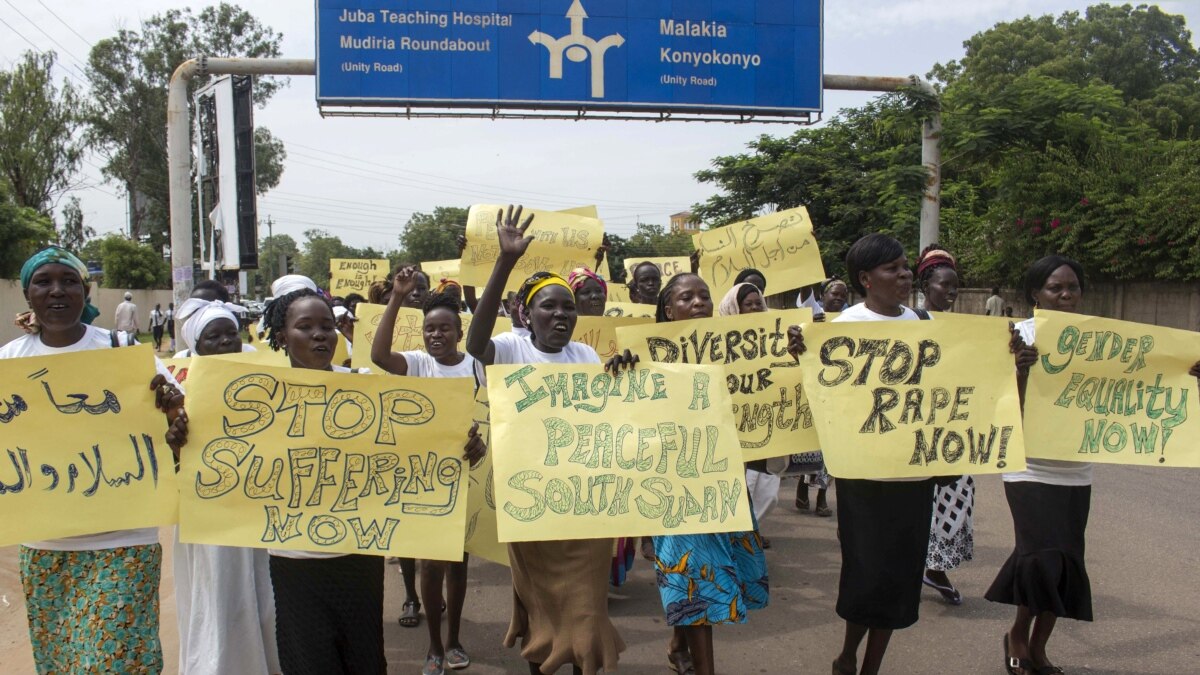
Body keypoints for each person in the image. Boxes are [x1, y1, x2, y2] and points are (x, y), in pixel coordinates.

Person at [1, 246, 186, 674]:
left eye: (69, 281)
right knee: (62, 661)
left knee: (114, 661)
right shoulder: (9, 362)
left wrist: (173, 414)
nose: (57, 290)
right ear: (27, 295)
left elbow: (179, 425)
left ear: (85, 291)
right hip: (45, 548)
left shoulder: (121, 351)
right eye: (43, 282)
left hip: (123, 541)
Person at [466, 205, 624, 675]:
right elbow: (474, 344)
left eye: (568, 307)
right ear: (526, 313)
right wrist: (505, 261)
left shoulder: (586, 354)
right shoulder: (510, 349)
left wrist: (624, 374)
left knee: (587, 607)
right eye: (548, 306)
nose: (560, 314)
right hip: (530, 499)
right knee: (541, 605)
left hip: (584, 500)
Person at [614, 273, 769, 675]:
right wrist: (621, 369)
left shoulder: (733, 352)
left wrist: (791, 351)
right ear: (668, 310)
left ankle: (678, 643)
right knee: (699, 577)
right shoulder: (644, 359)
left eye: (704, 296)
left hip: (721, 478)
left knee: (697, 576)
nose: (699, 302)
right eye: (687, 297)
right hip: (675, 487)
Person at [806, 234, 937, 675]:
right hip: (863, 479)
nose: (904, 275)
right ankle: (848, 653)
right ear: (865, 278)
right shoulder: (843, 328)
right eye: (892, 269)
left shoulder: (922, 324)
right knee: (866, 574)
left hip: (913, 478)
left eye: (905, 267)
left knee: (899, 578)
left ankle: (869, 668)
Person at [258, 278, 389, 673]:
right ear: (282, 337)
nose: (319, 335)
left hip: (359, 556)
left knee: (364, 659)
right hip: (295, 560)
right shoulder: (259, 398)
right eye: (305, 327)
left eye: (327, 327)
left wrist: (461, 444)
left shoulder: (365, 386)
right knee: (310, 661)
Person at [372, 273, 485, 675]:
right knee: (431, 565)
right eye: (429, 329)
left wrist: (480, 443)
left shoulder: (477, 367)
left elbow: (489, 418)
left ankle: (454, 640)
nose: (436, 335)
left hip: (466, 477)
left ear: (459, 332)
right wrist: (397, 298)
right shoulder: (418, 364)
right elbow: (379, 356)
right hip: (424, 480)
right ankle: (434, 646)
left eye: (444, 328)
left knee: (458, 565)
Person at [985, 255, 1093, 675]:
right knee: (1039, 558)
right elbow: (996, 403)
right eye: (1055, 287)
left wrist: (1185, 375)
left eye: (1072, 287)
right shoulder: (1018, 337)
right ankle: (1017, 635)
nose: (1066, 294)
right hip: (1028, 466)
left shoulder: (1099, 340)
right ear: (1036, 293)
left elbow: (1134, 386)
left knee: (1066, 561)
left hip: (1075, 469)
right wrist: (1020, 373)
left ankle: (1039, 647)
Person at [171, 297, 277, 675]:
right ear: (197, 346)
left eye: (231, 333)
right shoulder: (176, 386)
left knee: (261, 589)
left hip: (254, 503)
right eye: (213, 337)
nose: (225, 342)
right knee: (216, 589)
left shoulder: (262, 375)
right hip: (207, 508)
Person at [916, 245, 974, 606]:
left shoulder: (967, 328)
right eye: (944, 285)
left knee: (955, 496)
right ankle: (926, 568)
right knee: (922, 502)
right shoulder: (911, 323)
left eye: (955, 286)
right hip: (919, 429)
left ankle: (933, 566)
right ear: (926, 286)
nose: (951, 292)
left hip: (956, 427)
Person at [717, 282, 777, 548]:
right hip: (727, 431)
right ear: (734, 308)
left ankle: (748, 533)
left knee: (766, 493)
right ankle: (738, 542)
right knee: (736, 490)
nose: (754, 308)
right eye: (747, 304)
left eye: (758, 304)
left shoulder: (773, 341)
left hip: (760, 428)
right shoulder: (716, 341)